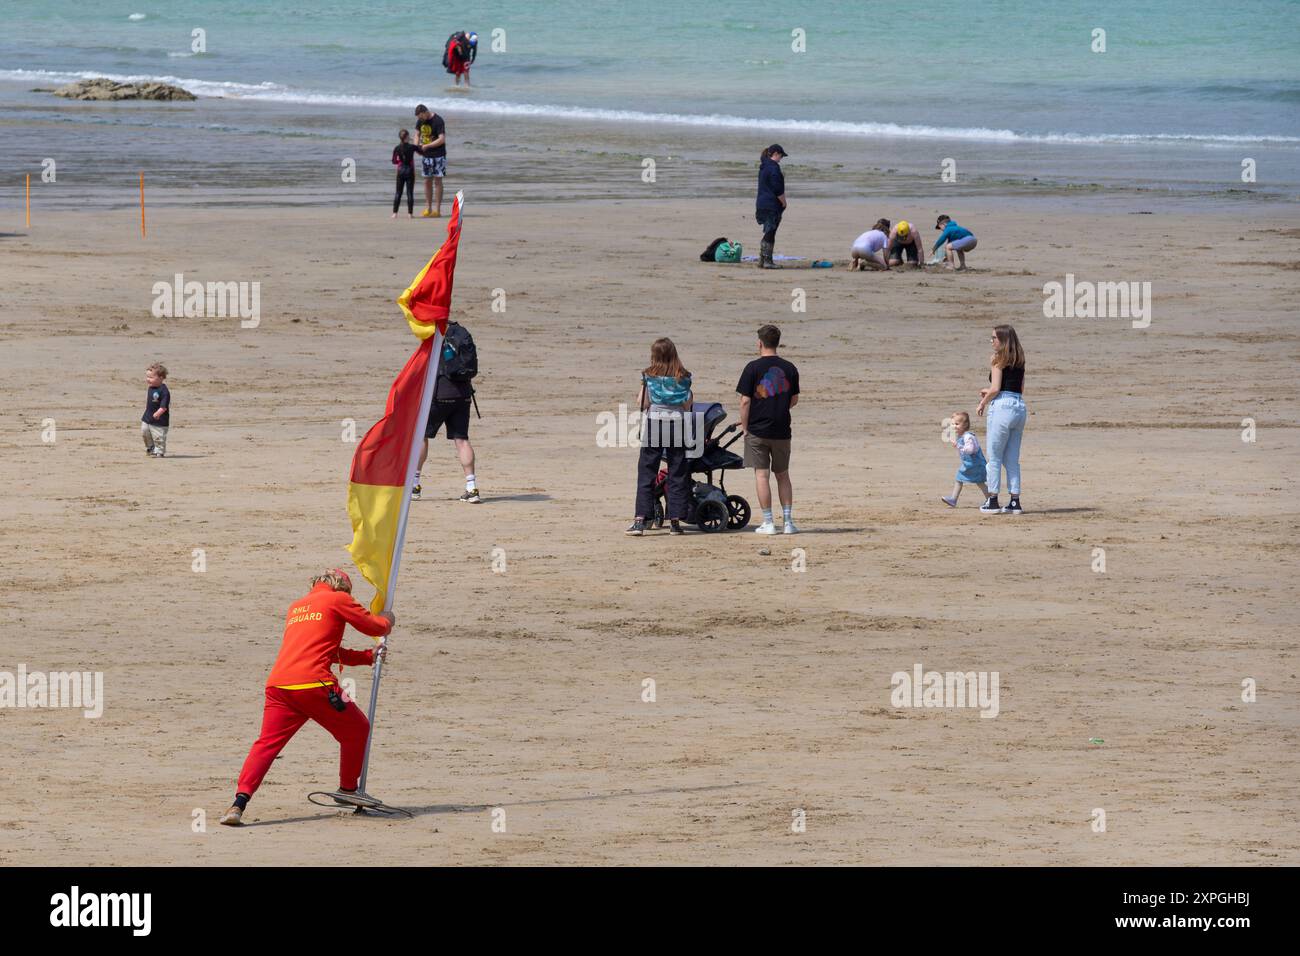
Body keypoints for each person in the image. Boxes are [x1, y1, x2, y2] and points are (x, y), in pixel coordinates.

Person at [220, 569, 394, 826]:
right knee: (358, 728)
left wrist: (368, 657)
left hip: (279, 687)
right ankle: (347, 789)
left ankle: (238, 804)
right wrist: (388, 620)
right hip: (316, 685)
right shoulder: (337, 600)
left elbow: (326, 649)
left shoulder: (297, 607)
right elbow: (373, 625)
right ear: (341, 587)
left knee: (266, 745)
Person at [736, 324, 800, 534]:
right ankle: (788, 522)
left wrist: (745, 427)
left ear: (760, 343)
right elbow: (794, 400)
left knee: (761, 475)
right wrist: (778, 408)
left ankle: (768, 522)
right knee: (783, 475)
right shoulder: (790, 368)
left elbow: (745, 402)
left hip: (757, 430)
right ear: (777, 342)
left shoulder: (752, 368)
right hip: (782, 429)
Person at [626, 338, 693, 536]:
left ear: (654, 355)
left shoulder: (648, 375)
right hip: (677, 425)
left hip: (655, 423)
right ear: (674, 354)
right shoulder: (684, 376)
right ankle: (675, 521)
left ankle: (640, 519)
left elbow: (643, 402)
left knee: (647, 470)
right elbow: (688, 404)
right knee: (677, 473)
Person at [414, 321, 480, 503]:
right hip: (463, 395)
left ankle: (414, 485)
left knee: (422, 436)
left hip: (440, 394)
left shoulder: (434, 334)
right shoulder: (462, 333)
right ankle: (471, 487)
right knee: (462, 440)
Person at [976, 325, 1027, 515]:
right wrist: (988, 392)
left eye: (994, 338)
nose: (991, 341)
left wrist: (983, 401)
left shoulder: (997, 359)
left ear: (1003, 340)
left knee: (994, 456)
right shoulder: (1020, 360)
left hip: (1002, 408)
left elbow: (996, 388)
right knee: (1012, 459)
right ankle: (1015, 502)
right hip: (1019, 407)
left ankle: (993, 500)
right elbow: (1018, 390)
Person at [941, 411, 989, 507]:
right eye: (953, 424)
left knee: (979, 482)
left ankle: (990, 499)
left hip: (976, 464)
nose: (954, 426)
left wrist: (958, 446)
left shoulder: (968, 437)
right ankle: (953, 499)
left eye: (957, 424)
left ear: (965, 424)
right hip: (968, 464)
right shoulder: (961, 436)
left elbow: (970, 450)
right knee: (962, 479)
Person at [754, 144, 788, 269]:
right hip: (771, 204)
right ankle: (767, 260)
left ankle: (763, 260)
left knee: (769, 231)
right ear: (776, 153)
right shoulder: (774, 168)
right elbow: (777, 189)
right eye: (781, 156)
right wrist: (783, 202)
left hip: (761, 203)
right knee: (770, 232)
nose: (781, 158)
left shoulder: (764, 166)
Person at [413, 104, 447, 218]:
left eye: (421, 117)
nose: (420, 119)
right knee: (427, 181)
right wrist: (416, 146)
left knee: (438, 182)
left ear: (425, 112)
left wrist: (428, 145)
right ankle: (428, 208)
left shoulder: (438, 120)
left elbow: (441, 139)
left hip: (438, 154)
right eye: (419, 118)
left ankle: (437, 210)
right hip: (426, 155)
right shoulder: (420, 121)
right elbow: (417, 134)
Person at [141, 362, 170, 458]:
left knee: (158, 436)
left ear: (161, 378)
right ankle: (150, 447)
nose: (148, 379)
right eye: (147, 377)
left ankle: (160, 451)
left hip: (159, 419)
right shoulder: (151, 388)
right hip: (148, 416)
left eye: (151, 377)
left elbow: (164, 406)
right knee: (145, 431)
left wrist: (158, 413)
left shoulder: (164, 391)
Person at [390, 128, 421, 219]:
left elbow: (394, 161)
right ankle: (410, 214)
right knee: (409, 193)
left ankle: (394, 213)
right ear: (407, 137)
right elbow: (421, 152)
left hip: (400, 171)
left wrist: (400, 161)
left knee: (398, 193)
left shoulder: (397, 148)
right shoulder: (412, 147)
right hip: (410, 171)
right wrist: (418, 144)